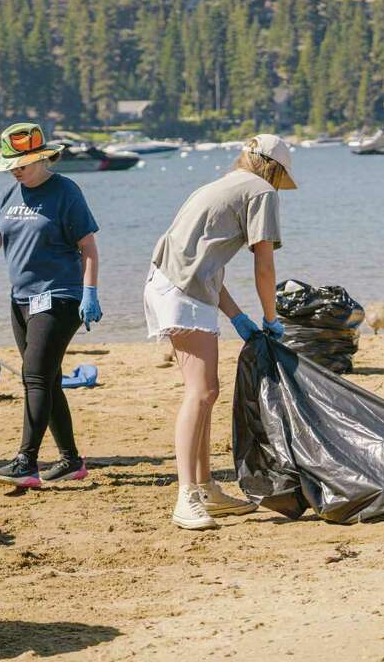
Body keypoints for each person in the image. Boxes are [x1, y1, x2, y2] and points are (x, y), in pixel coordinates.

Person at [0, 123, 101, 487]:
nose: (15, 168)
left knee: (35, 376)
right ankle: (71, 461)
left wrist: (90, 292)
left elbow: (88, 247)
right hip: (21, 300)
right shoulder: (8, 196)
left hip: (60, 295)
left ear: (41, 158)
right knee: (48, 378)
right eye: (11, 163)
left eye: (21, 162)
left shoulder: (65, 192)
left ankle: (26, 462)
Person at [145, 134, 296, 530]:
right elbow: (264, 266)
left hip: (171, 284)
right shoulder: (262, 191)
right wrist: (270, 316)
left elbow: (204, 264)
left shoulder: (217, 186)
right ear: (273, 168)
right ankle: (186, 496)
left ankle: (206, 487)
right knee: (200, 392)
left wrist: (236, 316)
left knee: (206, 391)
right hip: (181, 291)